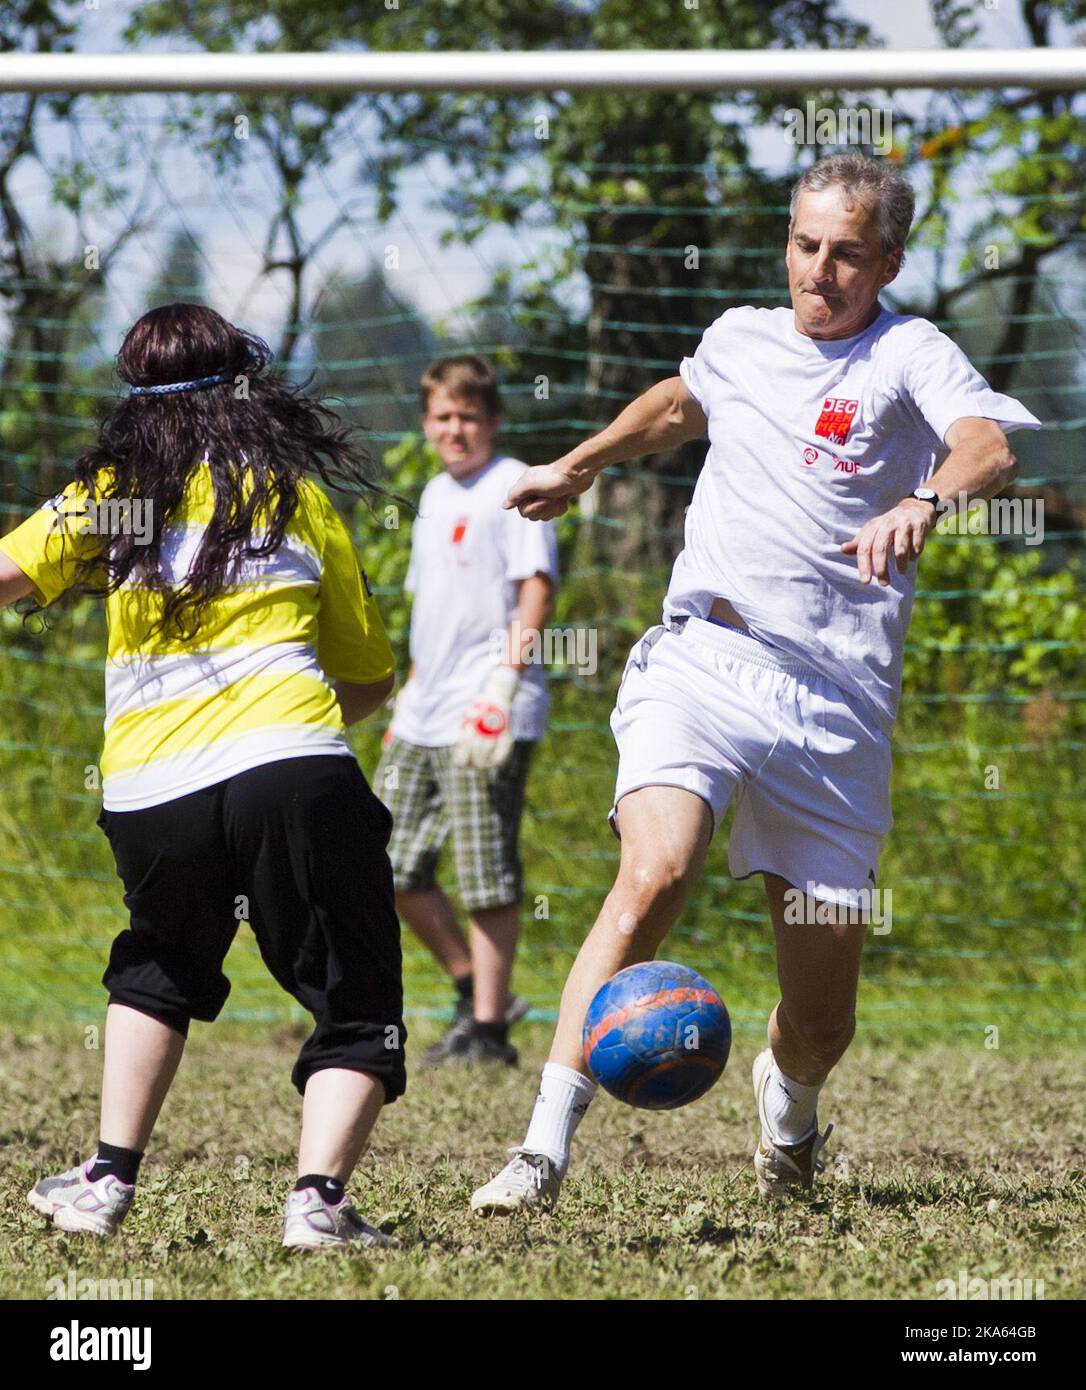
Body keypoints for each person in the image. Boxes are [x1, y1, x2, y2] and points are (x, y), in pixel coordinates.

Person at [469, 152, 1041, 1213]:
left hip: (837, 710)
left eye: (848, 255)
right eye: (806, 246)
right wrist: (581, 461)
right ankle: (539, 1151)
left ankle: (789, 1105)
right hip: (703, 657)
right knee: (655, 871)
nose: (820, 272)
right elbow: (679, 404)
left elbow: (987, 446)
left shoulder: (907, 352)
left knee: (821, 1017)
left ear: (889, 263)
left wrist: (925, 499)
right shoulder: (738, 338)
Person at [0, 303, 406, 1248]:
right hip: (294, 768)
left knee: (160, 964)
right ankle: (317, 1204)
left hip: (151, 790)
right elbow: (370, 677)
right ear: (247, 388)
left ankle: (105, 1179)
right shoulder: (295, 493)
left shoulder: (111, 492)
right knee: (353, 995)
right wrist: (283, 751)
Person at [375, 355, 558, 1065]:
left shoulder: (512, 489)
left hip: (487, 706)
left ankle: (488, 1033)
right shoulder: (431, 494)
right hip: (423, 710)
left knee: (484, 869)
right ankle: (471, 984)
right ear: (426, 423)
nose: (457, 430)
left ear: (493, 421)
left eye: (470, 416)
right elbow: (432, 611)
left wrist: (503, 687)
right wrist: (406, 699)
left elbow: (536, 591)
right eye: (444, 417)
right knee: (384, 862)